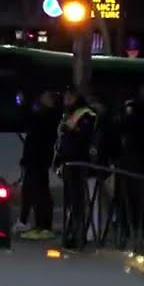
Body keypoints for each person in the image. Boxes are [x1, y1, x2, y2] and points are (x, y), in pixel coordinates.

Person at [115, 84, 144, 240]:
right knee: (135, 196)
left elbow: (126, 127)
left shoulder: (139, 112)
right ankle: (135, 228)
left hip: (138, 160)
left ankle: (137, 229)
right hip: (139, 160)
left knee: (137, 196)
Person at [54, 89, 98, 249]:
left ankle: (77, 235)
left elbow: (84, 138)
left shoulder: (86, 114)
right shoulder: (69, 114)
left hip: (78, 164)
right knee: (70, 201)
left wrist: (72, 131)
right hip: (68, 163)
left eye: (69, 97)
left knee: (77, 202)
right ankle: (70, 233)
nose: (66, 100)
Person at [16, 91, 60, 240]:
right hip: (33, 159)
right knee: (34, 191)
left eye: (46, 97)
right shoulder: (41, 114)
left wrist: (26, 106)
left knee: (41, 193)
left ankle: (44, 226)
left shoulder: (50, 115)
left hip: (39, 159)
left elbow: (38, 132)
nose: (42, 99)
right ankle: (37, 224)